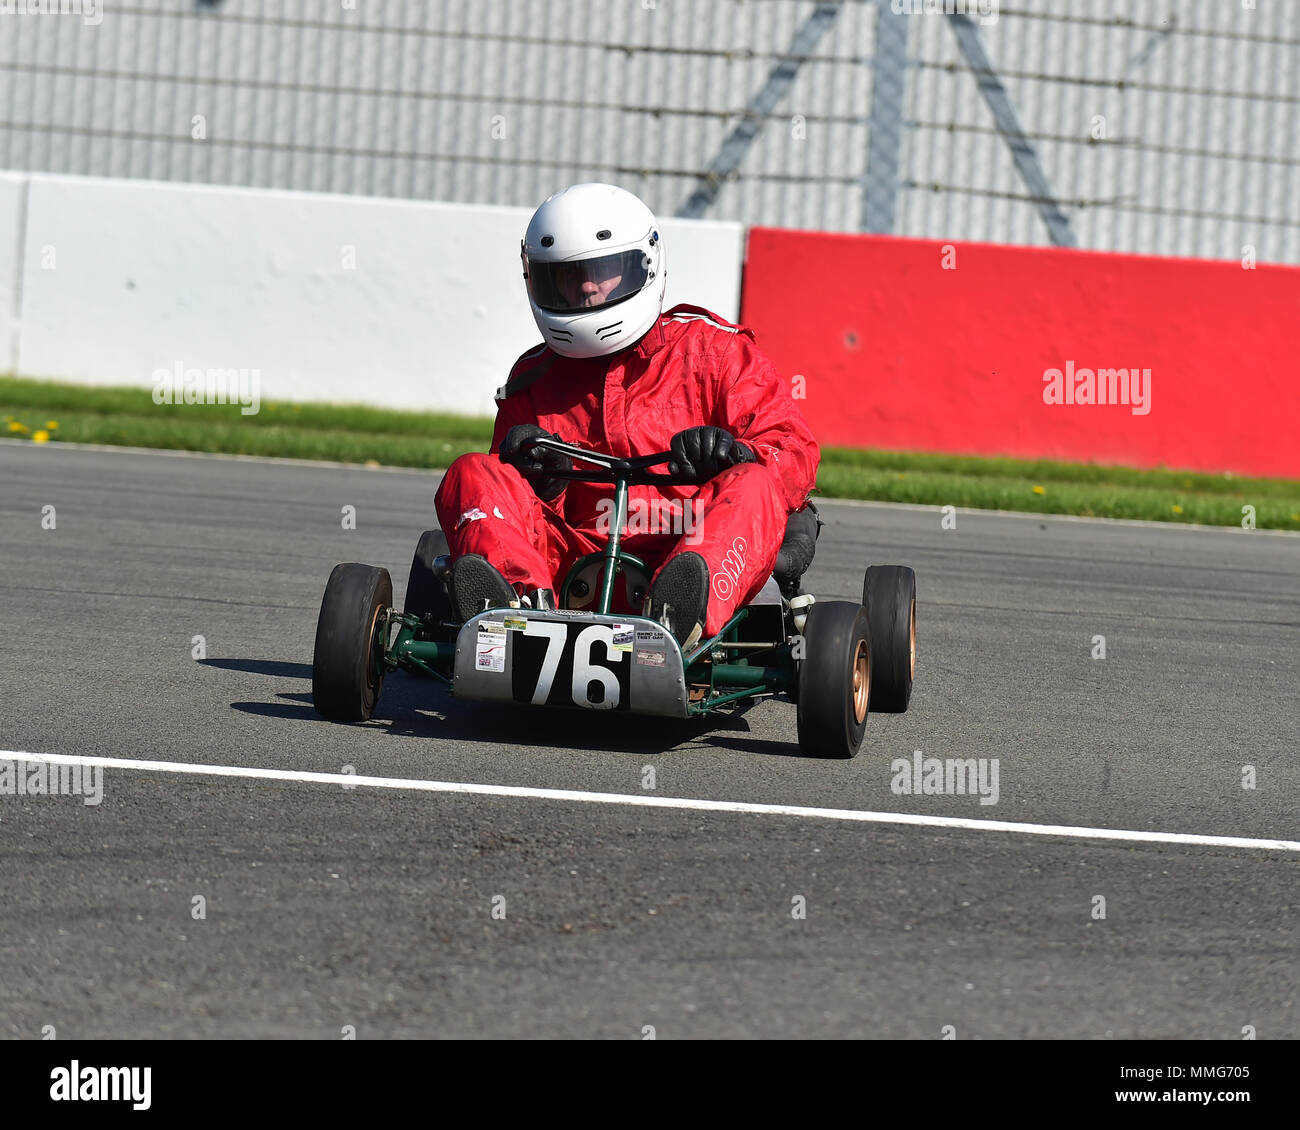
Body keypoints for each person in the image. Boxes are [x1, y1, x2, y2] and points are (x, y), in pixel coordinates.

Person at [434, 182, 819, 648]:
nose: (587, 288)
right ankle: (515, 614)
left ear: (645, 266)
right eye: (568, 277)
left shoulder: (715, 354)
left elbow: (793, 452)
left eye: (603, 271)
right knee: (471, 471)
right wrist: (544, 483)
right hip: (571, 569)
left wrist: (735, 455)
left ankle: (679, 619)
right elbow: (511, 510)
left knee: (756, 481)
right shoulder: (532, 381)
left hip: (689, 544)